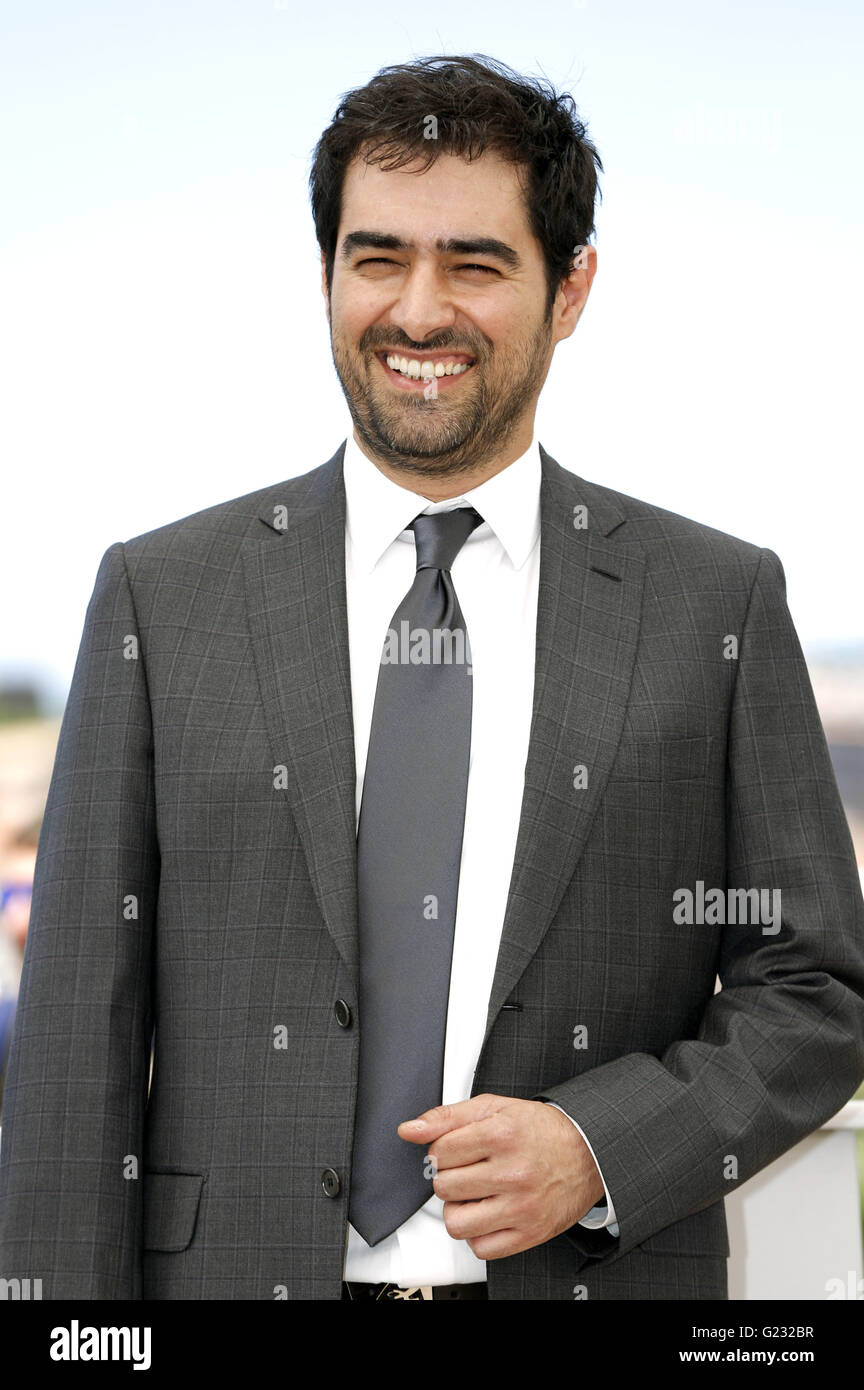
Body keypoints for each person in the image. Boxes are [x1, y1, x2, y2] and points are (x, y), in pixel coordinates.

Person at [1, 53, 862, 1303]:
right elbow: (77, 1042)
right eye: (377, 256)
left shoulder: (714, 604)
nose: (417, 311)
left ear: (571, 292)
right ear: (324, 276)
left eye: (475, 262)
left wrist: (600, 1146)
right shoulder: (161, 597)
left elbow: (814, 984)